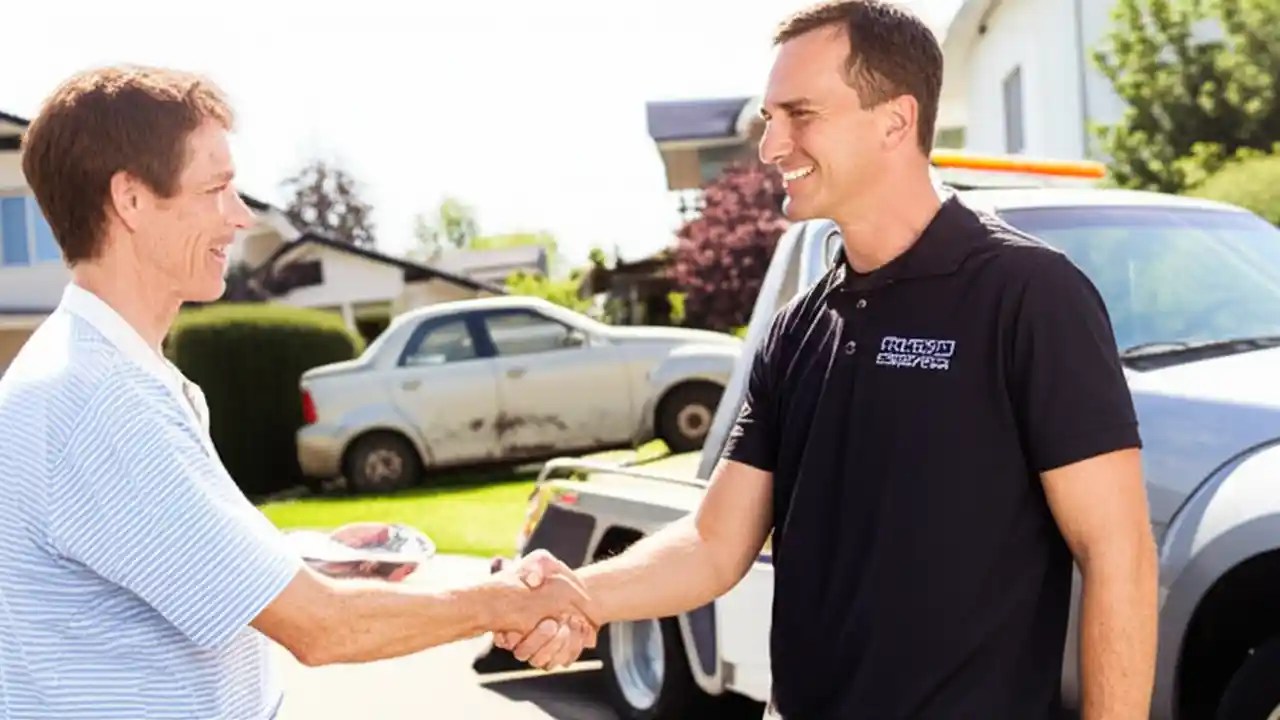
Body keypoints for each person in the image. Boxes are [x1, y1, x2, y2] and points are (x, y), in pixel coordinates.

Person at [496, 1, 1160, 718]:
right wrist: (582, 593)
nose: (771, 147)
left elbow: (1117, 553)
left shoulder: (1029, 296)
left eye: (799, 114)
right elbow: (715, 543)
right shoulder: (797, 328)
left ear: (896, 121)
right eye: (769, 120)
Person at [0, 65, 597, 719]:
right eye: (218, 188)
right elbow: (321, 629)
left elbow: (150, 558)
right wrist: (506, 600)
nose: (242, 216)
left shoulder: (97, 372)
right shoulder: (99, 401)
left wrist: (304, 557)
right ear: (132, 201)